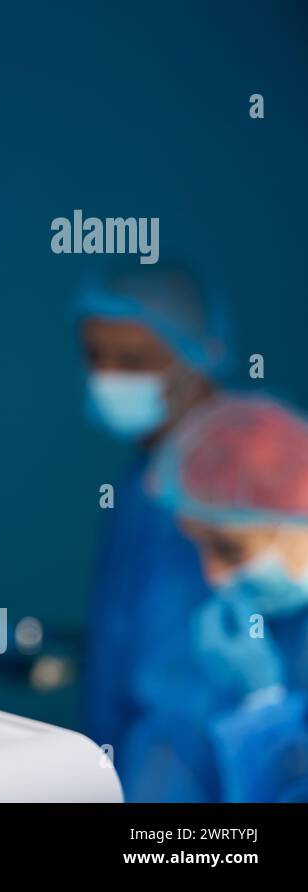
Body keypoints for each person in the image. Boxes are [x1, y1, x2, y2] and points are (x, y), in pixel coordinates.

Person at [75, 267, 227, 774]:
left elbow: (179, 697)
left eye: (133, 362)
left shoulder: (228, 484)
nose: (107, 378)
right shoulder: (145, 476)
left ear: (199, 358)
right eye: (95, 357)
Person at [120, 396, 308, 801]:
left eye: (231, 550)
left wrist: (263, 705)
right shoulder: (219, 637)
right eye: (199, 548)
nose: (214, 576)